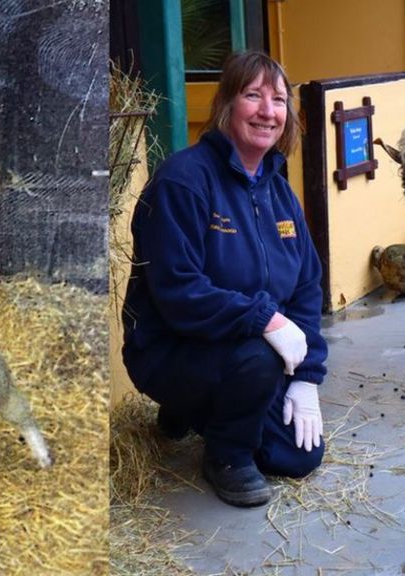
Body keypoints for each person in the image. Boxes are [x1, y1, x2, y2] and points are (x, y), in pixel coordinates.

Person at [121, 51, 327, 508]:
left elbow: (308, 284)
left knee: (297, 456)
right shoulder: (184, 181)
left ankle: (195, 411)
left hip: (238, 350)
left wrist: (307, 378)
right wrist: (267, 319)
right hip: (168, 348)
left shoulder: (277, 188)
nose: (267, 111)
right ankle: (227, 456)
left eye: (277, 100)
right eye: (252, 96)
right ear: (226, 106)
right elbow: (177, 289)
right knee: (259, 355)